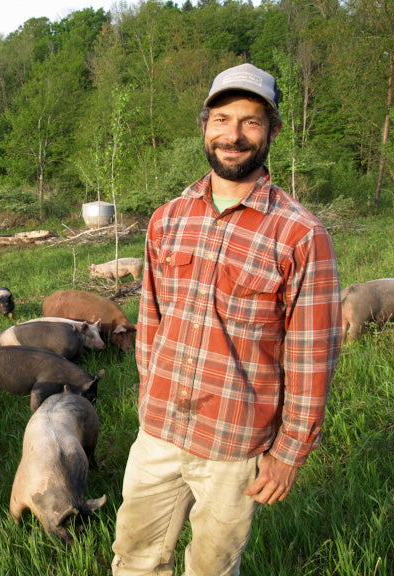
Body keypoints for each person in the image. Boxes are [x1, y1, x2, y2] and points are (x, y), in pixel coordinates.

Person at [110, 63, 343, 576]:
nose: (232, 135)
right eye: (221, 119)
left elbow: (311, 356)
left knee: (213, 567)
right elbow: (150, 323)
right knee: (133, 558)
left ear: (273, 131)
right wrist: (150, 401)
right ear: (204, 125)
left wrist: (289, 452)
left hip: (235, 445)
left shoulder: (300, 235)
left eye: (250, 121)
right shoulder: (167, 219)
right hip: (160, 433)